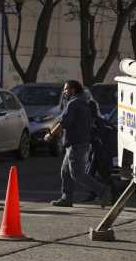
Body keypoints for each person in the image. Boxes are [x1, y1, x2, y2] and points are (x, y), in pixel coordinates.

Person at [46, 80, 113, 208]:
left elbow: (63, 123)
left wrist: (50, 135)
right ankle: (66, 198)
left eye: (66, 89)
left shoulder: (74, 103)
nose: (64, 92)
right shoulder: (84, 101)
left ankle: (103, 191)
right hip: (78, 142)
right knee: (65, 172)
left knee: (77, 174)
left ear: (73, 90)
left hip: (76, 143)